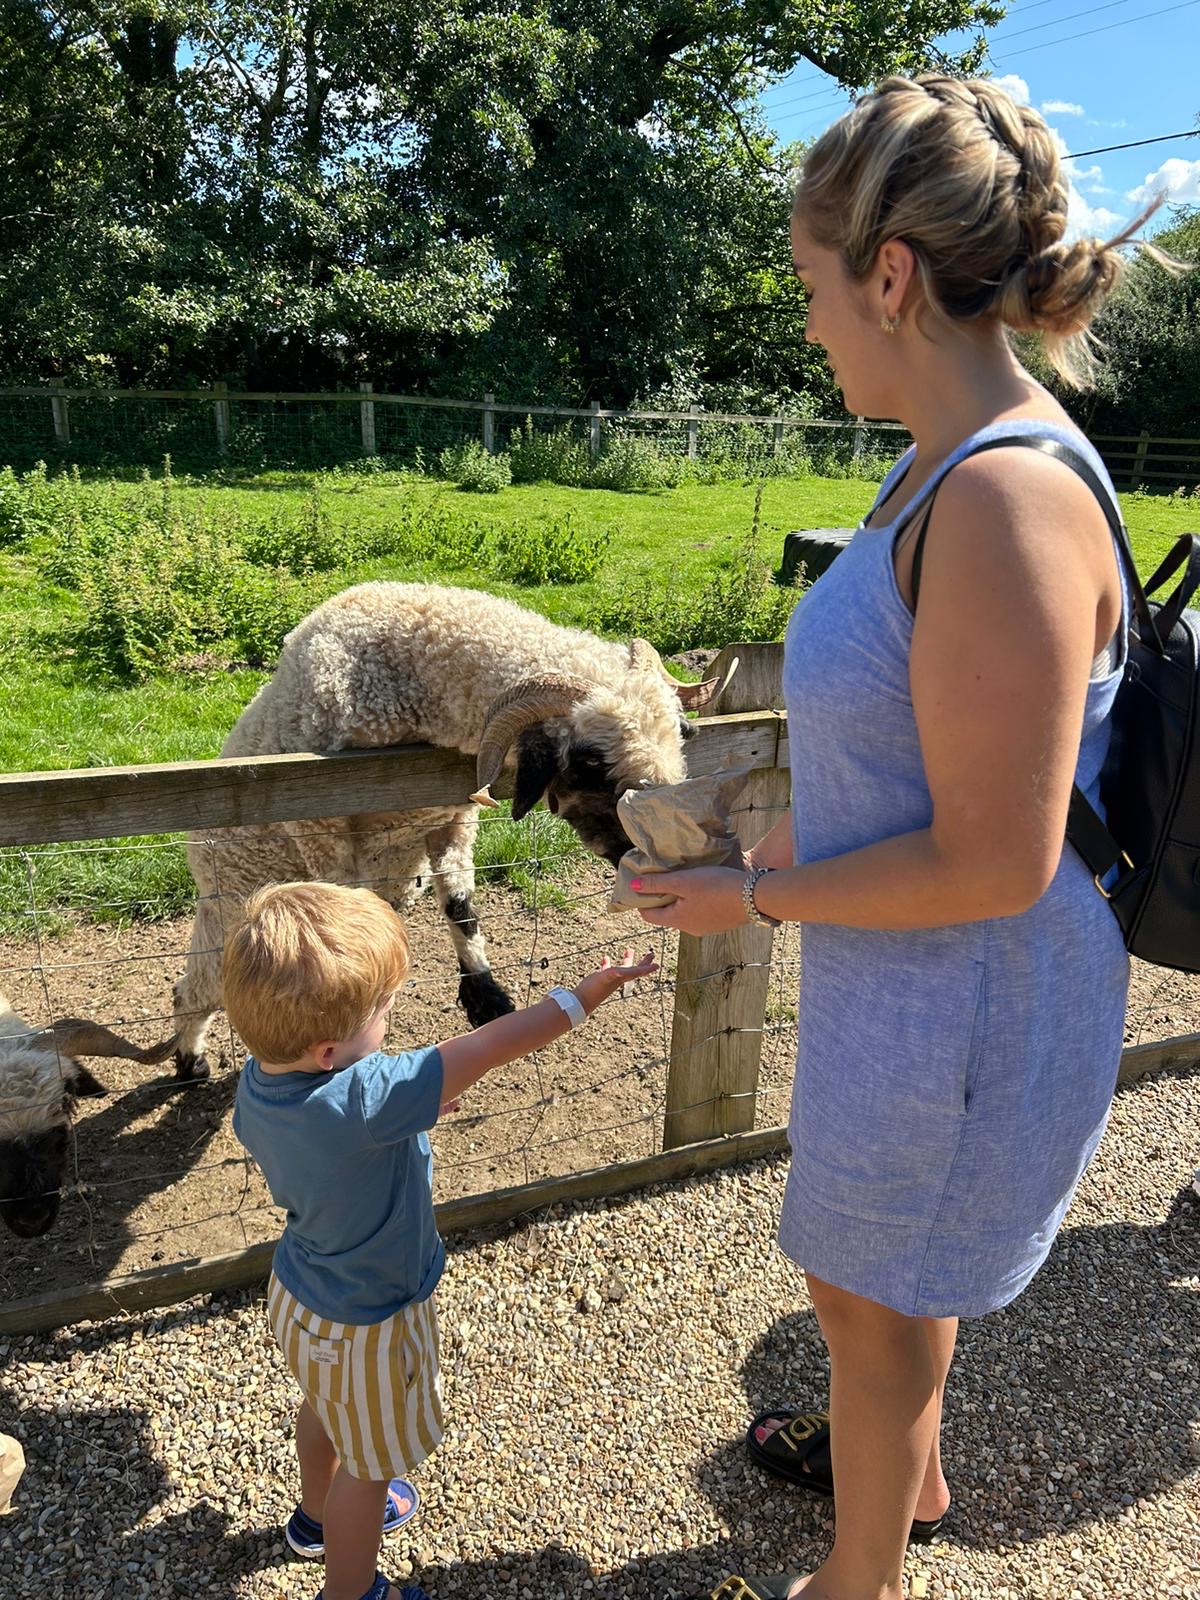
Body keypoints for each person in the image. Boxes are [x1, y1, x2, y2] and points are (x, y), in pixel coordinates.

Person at [633, 74, 1173, 1600]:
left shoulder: (999, 495)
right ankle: (910, 1479)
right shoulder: (948, 455)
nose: (807, 326)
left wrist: (756, 890)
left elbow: (995, 857)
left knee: (866, 1296)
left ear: (886, 274)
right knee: (873, 1275)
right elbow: (945, 774)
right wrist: (767, 851)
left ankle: (857, 1579)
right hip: (921, 982)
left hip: (965, 998)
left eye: (812, 287)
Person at [224, 879, 655, 1600]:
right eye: (383, 1012)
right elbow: (493, 1043)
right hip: (369, 1320)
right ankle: (355, 1589)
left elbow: (336, 1137)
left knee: (325, 1408)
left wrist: (406, 1111)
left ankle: (312, 1518)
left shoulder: (259, 1083)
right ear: (329, 1048)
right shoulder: (368, 1096)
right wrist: (585, 995)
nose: (391, 1020)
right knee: (371, 1466)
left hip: (300, 1297)